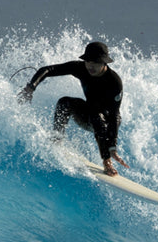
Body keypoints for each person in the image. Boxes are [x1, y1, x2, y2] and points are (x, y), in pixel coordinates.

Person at [18, 41, 130, 176]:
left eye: (95, 63)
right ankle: (56, 140)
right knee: (64, 102)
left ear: (104, 63)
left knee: (97, 116)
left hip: (106, 121)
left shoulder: (114, 82)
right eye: (88, 61)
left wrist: (112, 146)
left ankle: (107, 162)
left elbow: (114, 115)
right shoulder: (81, 68)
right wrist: (30, 88)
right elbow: (47, 70)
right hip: (88, 115)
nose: (90, 66)